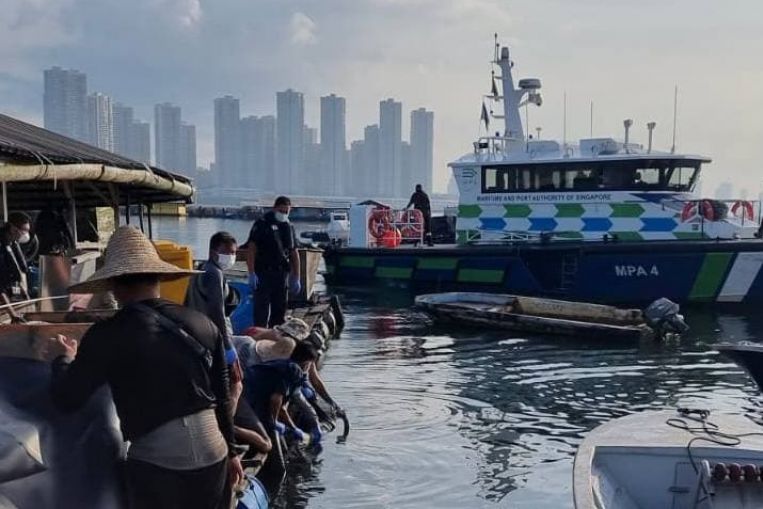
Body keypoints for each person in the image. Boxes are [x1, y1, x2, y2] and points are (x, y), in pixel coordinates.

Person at [42, 226, 243, 509]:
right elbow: (221, 395)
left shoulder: (108, 335)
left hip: (159, 460)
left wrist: (63, 359)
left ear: (113, 283)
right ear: (159, 276)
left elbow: (67, 399)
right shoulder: (202, 323)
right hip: (214, 450)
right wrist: (233, 452)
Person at [247, 196, 301, 327]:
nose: (283, 215)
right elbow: (251, 249)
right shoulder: (262, 223)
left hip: (281, 274)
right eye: (281, 211)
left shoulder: (288, 226)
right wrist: (251, 272)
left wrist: (296, 277)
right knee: (261, 310)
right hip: (263, 273)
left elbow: (294, 252)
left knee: (279, 310)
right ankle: (260, 334)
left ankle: (275, 336)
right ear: (274, 208)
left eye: (286, 212)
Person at [0, 212, 32, 318]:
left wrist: (24, 294)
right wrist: (12, 314)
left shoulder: (13, 243)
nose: (26, 235)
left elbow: (18, 272)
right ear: (13, 229)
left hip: (9, 293)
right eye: (24, 231)